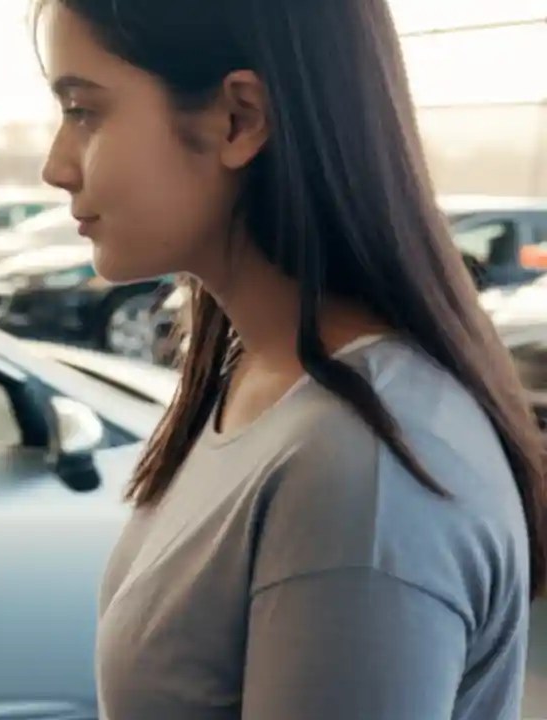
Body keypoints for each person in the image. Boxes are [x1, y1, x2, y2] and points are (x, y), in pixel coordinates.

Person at [34, 1, 546, 718]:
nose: (56, 166)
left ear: (240, 119)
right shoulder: (261, 377)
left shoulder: (360, 478)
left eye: (84, 110)